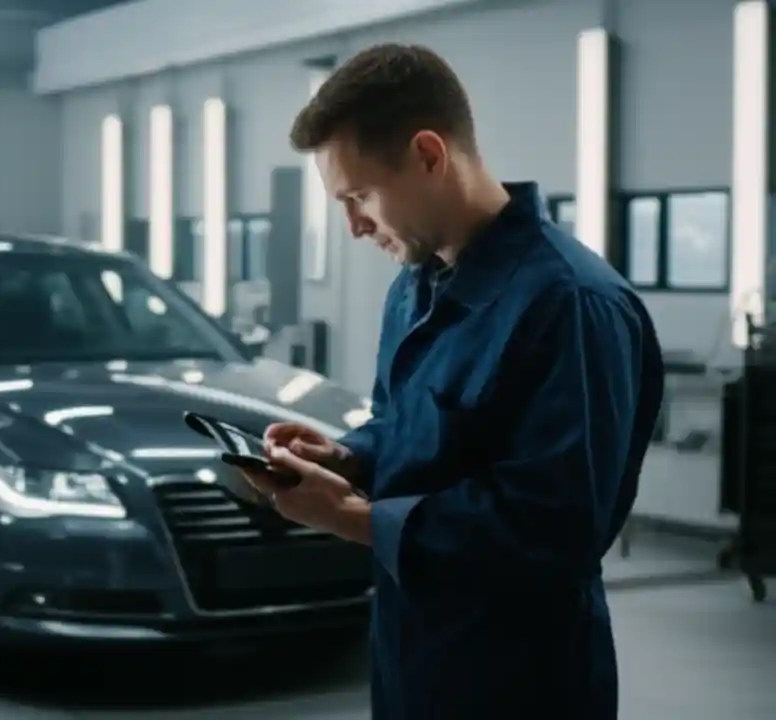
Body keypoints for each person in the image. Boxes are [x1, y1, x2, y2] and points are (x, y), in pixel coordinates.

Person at [242, 43, 665, 719]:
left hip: (522, 677)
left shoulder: (570, 303)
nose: (353, 227)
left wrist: (353, 519)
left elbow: (551, 528)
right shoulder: (416, 289)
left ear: (429, 155)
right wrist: (347, 458)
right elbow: (410, 430)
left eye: (359, 197)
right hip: (416, 655)